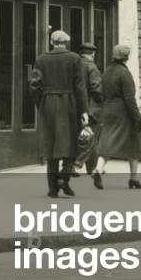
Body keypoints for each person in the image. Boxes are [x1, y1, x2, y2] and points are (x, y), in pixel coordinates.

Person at [30, 30, 88, 198]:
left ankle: (52, 189)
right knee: (72, 143)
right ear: (66, 42)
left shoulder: (41, 59)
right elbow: (80, 86)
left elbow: (34, 85)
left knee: (51, 145)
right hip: (69, 103)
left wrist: (40, 103)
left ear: (51, 42)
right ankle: (64, 176)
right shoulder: (74, 58)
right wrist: (84, 110)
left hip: (47, 103)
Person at [91, 44, 141, 190]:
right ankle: (133, 178)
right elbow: (129, 98)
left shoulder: (107, 71)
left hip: (108, 109)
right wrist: (137, 117)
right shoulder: (124, 73)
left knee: (108, 140)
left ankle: (98, 168)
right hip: (123, 111)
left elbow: (101, 93)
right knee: (133, 142)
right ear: (126, 57)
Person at [72, 42, 102, 176]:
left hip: (74, 106)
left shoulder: (74, 66)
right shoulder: (92, 67)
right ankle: (79, 166)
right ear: (93, 54)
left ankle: (91, 167)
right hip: (91, 108)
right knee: (91, 137)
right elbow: (97, 89)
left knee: (81, 137)